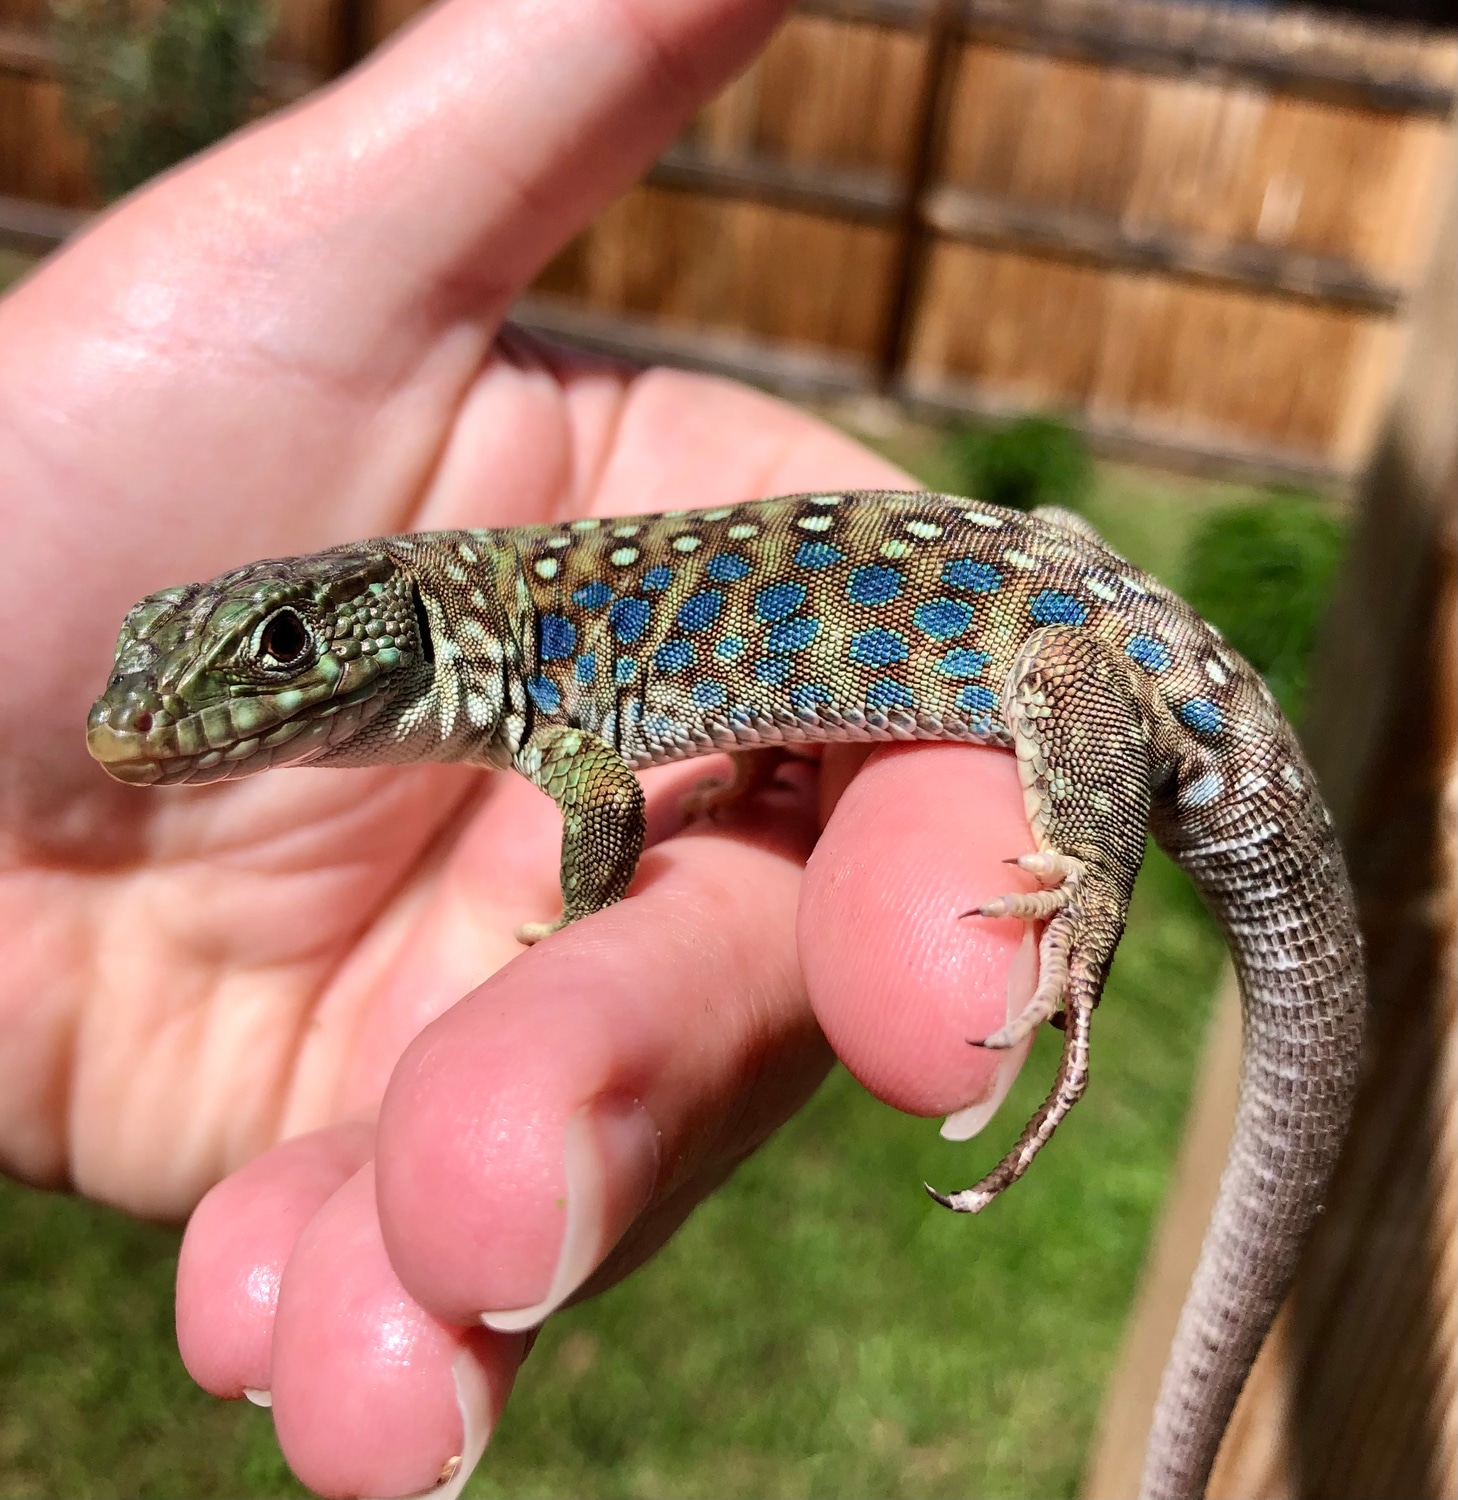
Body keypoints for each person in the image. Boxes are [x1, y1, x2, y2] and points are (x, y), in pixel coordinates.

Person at [0, 0, 1039, 1492]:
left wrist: (589, 916)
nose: (168, 711)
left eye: (288, 648)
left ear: (401, 632)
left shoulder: (540, 708)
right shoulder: (498, 675)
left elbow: (602, 790)